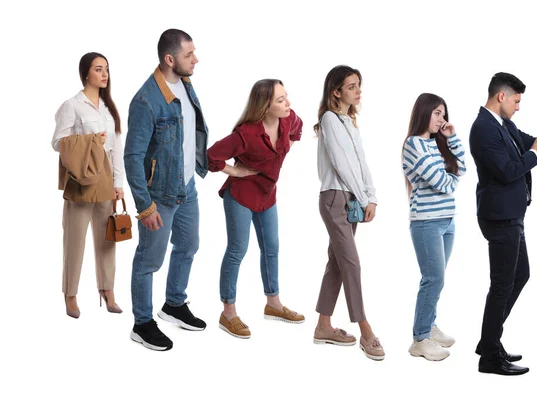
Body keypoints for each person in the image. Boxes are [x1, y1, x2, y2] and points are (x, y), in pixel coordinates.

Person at [470, 72, 537, 375]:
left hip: (511, 216)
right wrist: (535, 151)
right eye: (517, 101)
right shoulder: (483, 128)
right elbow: (509, 170)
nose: (518, 107)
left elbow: (527, 143)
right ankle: (490, 357)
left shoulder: (503, 124)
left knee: (520, 275)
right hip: (499, 217)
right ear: (501, 97)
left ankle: (489, 341)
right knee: (502, 285)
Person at [124, 29, 209, 351]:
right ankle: (142, 323)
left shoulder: (185, 84)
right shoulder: (146, 101)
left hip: (186, 185)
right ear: (169, 59)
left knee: (189, 246)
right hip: (159, 195)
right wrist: (145, 207)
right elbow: (132, 156)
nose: (196, 59)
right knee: (149, 260)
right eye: (189, 55)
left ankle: (174, 304)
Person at [207, 79, 305, 339]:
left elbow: (298, 128)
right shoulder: (246, 133)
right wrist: (235, 171)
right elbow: (211, 156)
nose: (288, 103)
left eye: (286, 97)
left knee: (271, 248)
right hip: (241, 195)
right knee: (238, 249)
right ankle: (228, 312)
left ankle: (273, 304)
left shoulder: (288, 119)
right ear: (265, 106)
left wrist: (282, 153)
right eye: (281, 100)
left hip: (267, 195)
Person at [312, 65, 385, 361]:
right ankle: (366, 330)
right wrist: (362, 195)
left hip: (351, 199)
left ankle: (323, 326)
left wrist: (372, 197)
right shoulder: (329, 119)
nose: (358, 91)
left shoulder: (350, 122)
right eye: (352, 86)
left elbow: (362, 163)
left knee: (339, 264)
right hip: (335, 198)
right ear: (336, 91)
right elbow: (341, 164)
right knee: (351, 263)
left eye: (358, 86)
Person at [52, 52, 124, 319]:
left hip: (105, 176)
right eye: (98, 69)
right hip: (81, 179)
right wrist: (91, 140)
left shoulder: (110, 107)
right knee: (74, 241)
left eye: (106, 69)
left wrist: (119, 183)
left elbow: (117, 148)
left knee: (107, 239)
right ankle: (70, 296)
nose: (104, 74)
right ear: (85, 73)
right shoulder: (73, 105)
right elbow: (58, 142)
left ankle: (108, 291)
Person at [401, 93, 467, 361]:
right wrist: (451, 177)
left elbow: (462, 167)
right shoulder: (413, 144)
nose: (442, 119)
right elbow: (445, 183)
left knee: (437, 279)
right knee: (433, 279)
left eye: (444, 113)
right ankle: (420, 339)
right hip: (426, 222)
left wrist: (452, 138)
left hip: (448, 220)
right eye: (437, 113)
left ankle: (429, 325)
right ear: (423, 113)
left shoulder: (440, 144)